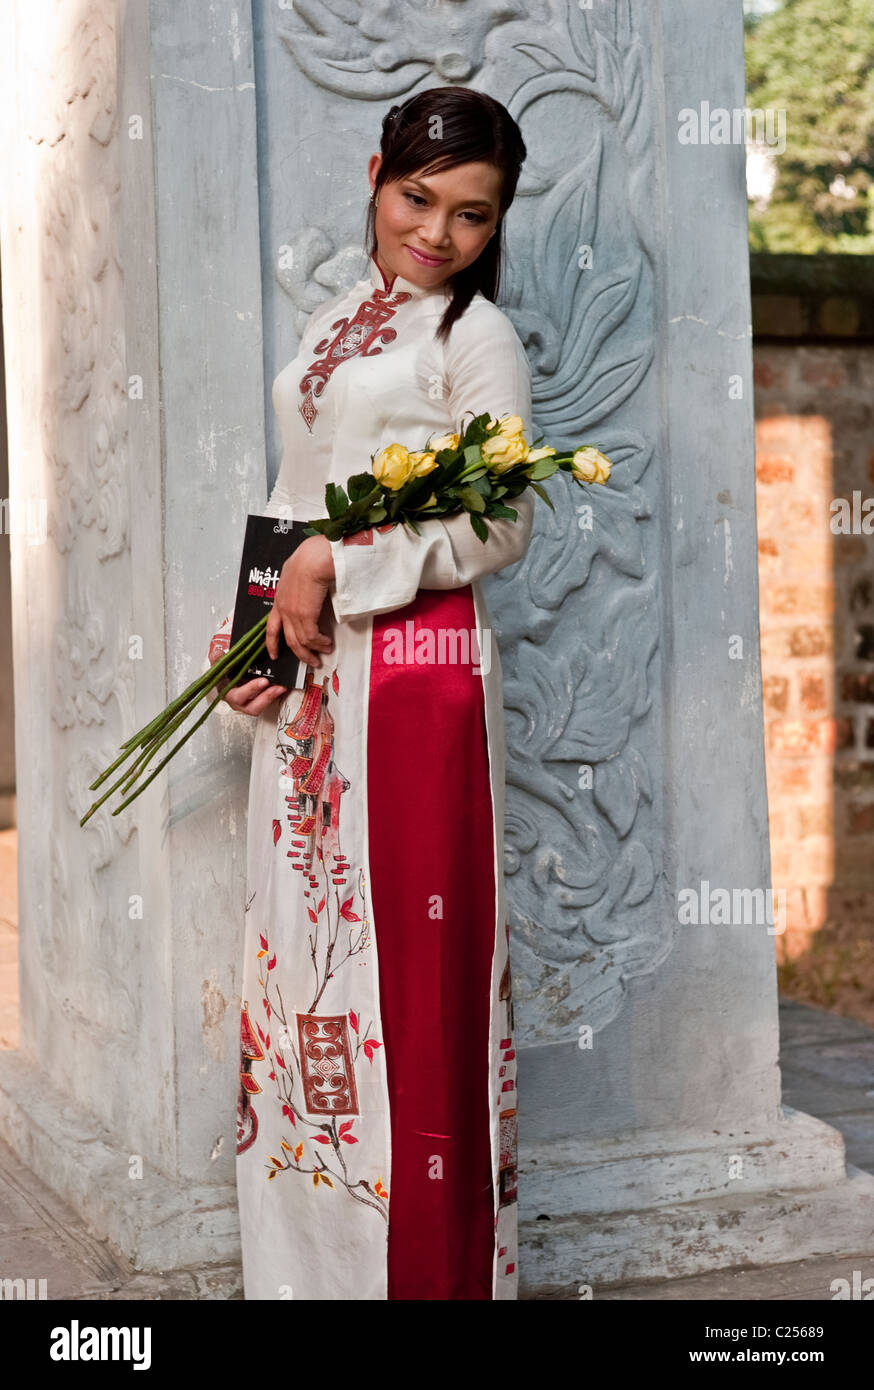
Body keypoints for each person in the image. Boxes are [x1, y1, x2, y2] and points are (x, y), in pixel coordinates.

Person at [206, 86, 533, 1300]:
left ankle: (425, 1282)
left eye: (471, 215)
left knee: (409, 987)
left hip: (415, 683)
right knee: (304, 978)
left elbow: (503, 519)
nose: (438, 233)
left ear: (496, 226)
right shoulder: (343, 317)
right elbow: (302, 491)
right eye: (417, 197)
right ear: (375, 172)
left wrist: (340, 565)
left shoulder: (472, 340)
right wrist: (260, 639)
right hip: (320, 685)